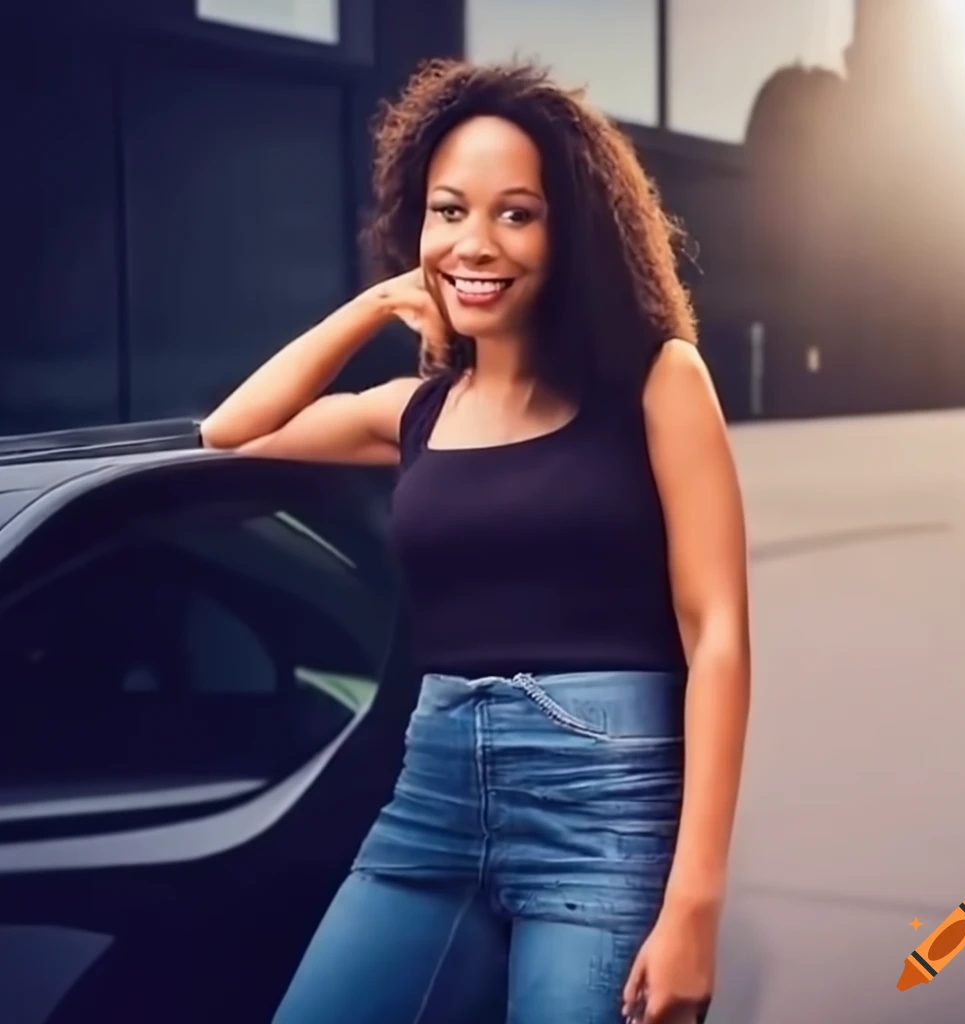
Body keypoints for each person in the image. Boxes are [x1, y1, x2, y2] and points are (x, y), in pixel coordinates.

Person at [202, 58, 750, 1024]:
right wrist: (375, 303)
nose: (476, 242)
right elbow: (230, 431)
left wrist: (694, 904)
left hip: (603, 807)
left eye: (516, 213)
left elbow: (717, 635)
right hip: (434, 798)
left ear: (569, 231)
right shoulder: (413, 411)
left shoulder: (658, 382)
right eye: (449, 211)